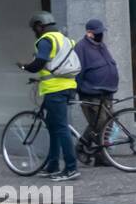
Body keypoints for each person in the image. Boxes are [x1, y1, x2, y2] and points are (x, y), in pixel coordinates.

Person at [17, 11, 80, 181]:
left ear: (40, 25)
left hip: (55, 89)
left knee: (60, 128)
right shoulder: (64, 39)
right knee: (53, 127)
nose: (34, 32)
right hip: (67, 86)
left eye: (34, 29)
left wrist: (25, 67)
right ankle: (53, 166)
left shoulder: (46, 40)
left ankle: (71, 168)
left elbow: (39, 63)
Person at [75, 19, 119, 165]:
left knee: (108, 122)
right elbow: (77, 71)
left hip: (107, 91)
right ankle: (94, 152)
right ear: (90, 34)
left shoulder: (101, 46)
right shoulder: (81, 47)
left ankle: (95, 153)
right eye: (98, 33)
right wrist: (79, 89)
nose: (101, 35)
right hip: (91, 92)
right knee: (100, 123)